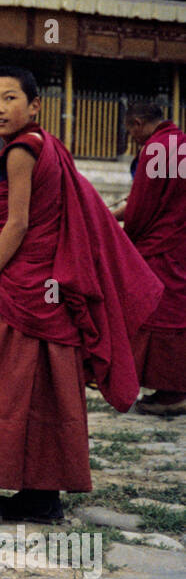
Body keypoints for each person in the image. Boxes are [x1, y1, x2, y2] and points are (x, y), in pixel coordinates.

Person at [0, 68, 164, 527]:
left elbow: (16, 224)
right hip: (45, 290)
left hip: (21, 286)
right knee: (44, 388)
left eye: (9, 98)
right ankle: (40, 495)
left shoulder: (20, 151)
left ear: (34, 106)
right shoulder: (46, 145)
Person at [120, 104, 186, 415]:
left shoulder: (156, 149)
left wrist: (126, 233)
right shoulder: (182, 144)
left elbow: (142, 205)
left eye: (130, 131)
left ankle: (172, 392)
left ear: (136, 123)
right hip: (180, 241)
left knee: (159, 315)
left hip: (160, 244)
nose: (132, 138)